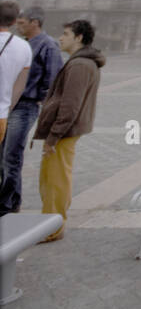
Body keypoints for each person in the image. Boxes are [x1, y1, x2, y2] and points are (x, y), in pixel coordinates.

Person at [33, 18, 106, 242]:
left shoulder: (80, 65)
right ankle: (51, 222)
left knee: (56, 180)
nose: (61, 38)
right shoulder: (80, 62)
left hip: (64, 133)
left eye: (66, 33)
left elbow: (70, 105)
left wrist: (53, 136)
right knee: (52, 178)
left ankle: (53, 226)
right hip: (64, 132)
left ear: (79, 37)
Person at [0, 7, 62, 215]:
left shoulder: (48, 45)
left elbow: (53, 80)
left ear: (35, 22)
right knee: (4, 155)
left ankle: (8, 202)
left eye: (22, 22)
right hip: (10, 105)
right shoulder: (22, 44)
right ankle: (9, 197)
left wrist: (44, 105)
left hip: (26, 105)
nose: (18, 25)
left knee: (11, 155)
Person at [0, 1, 32, 155]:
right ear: (14, 21)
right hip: (2, 114)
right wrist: (7, 107)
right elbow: (19, 86)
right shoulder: (24, 47)